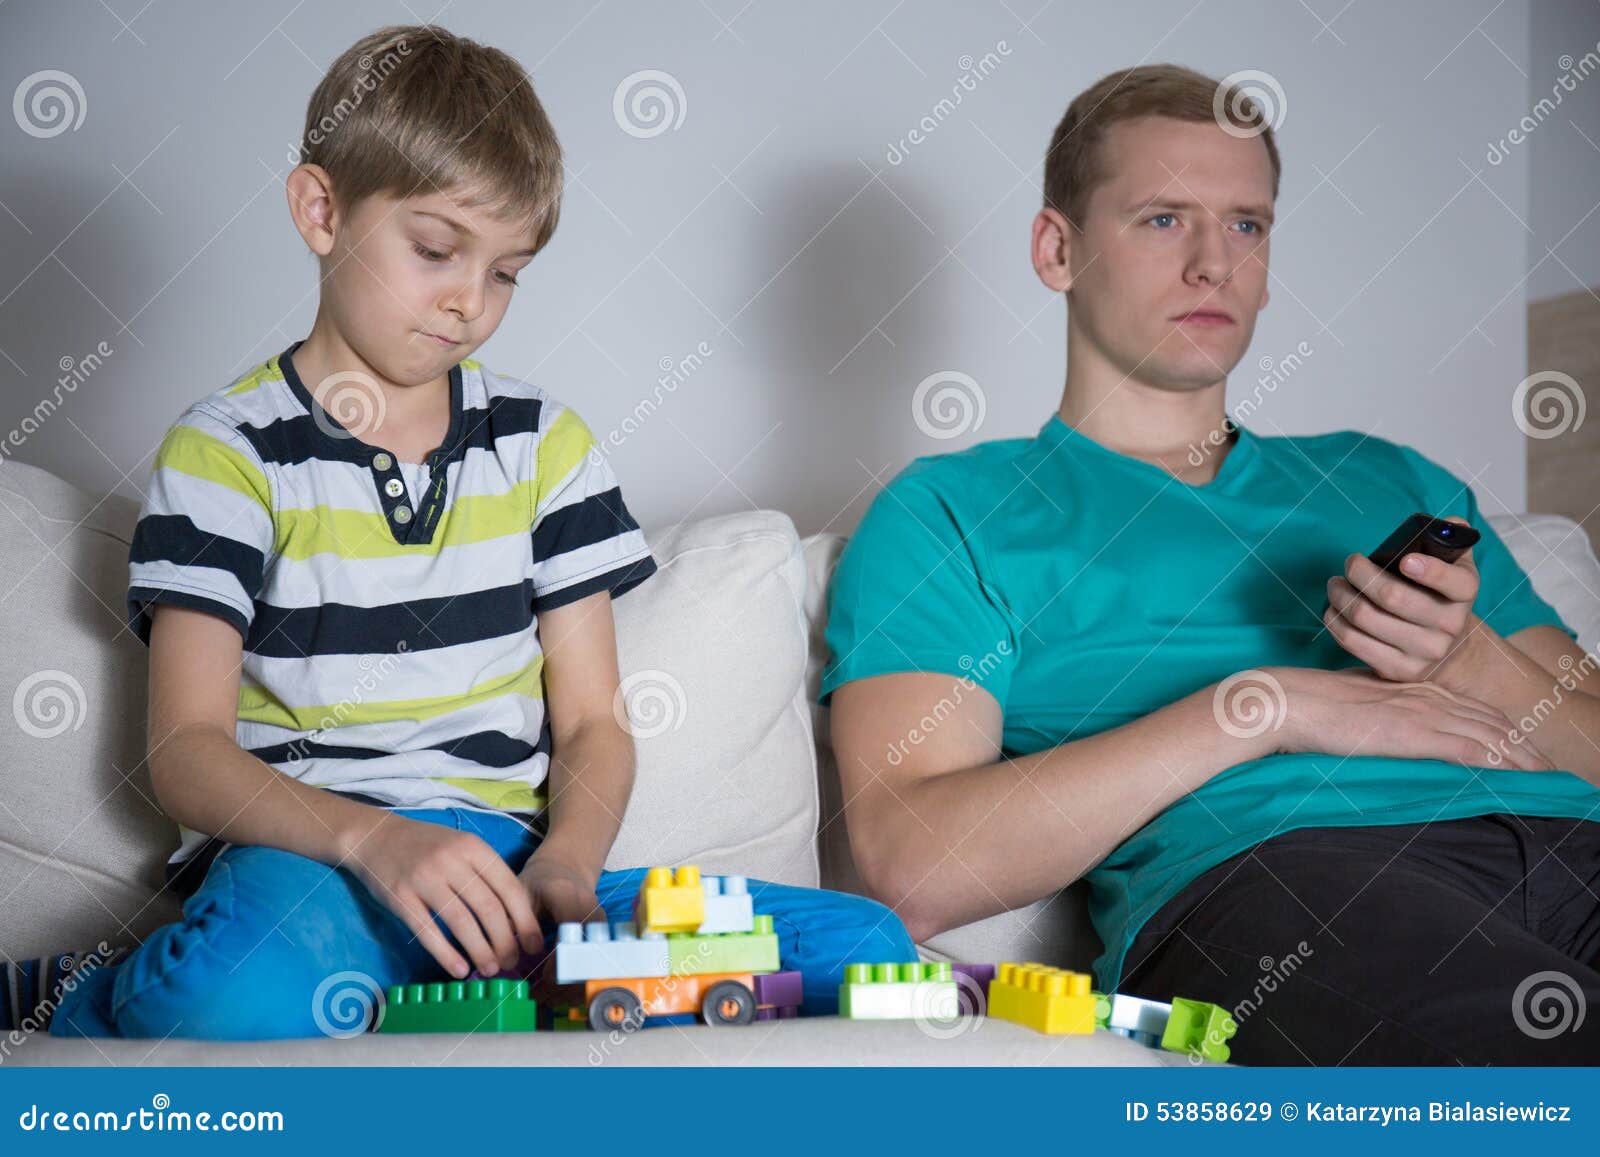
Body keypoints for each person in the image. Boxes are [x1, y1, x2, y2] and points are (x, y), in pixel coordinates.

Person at [4, 24, 911, 1041]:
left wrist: (566, 863)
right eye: (435, 250)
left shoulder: (541, 444)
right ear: (321, 209)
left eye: (507, 271)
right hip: (317, 872)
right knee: (225, 999)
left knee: (867, 951)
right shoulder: (226, 453)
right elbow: (184, 750)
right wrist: (375, 840)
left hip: (511, 881)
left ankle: (431, 1017)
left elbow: (594, 725)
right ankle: (75, 995)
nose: (469, 304)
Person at [821, 63, 1600, 1065]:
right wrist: (1265, 705)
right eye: (1160, 219)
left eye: (1245, 225)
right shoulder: (951, 511)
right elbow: (910, 866)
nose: (1212, 265)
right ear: (1057, 249)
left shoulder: (1394, 480)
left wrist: (1476, 664)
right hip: (1284, 881)